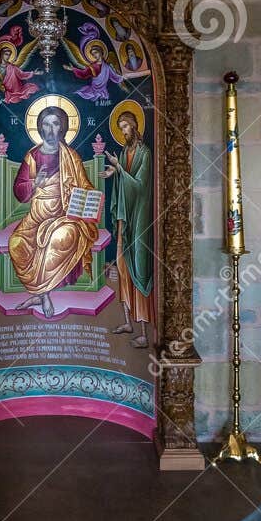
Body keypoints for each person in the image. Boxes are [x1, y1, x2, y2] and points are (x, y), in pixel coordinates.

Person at [7, 105, 98, 318]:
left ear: (62, 127)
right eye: (46, 124)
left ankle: (44, 294)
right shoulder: (32, 156)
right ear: (40, 128)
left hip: (65, 216)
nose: (50, 129)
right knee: (16, 244)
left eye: (55, 124)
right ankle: (41, 293)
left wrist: (83, 199)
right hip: (36, 217)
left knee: (58, 239)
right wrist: (34, 183)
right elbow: (19, 192)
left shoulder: (71, 156)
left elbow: (85, 187)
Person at [101, 107, 152, 347]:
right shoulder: (123, 152)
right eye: (120, 129)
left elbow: (141, 187)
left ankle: (142, 330)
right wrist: (115, 171)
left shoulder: (144, 153)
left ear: (134, 127)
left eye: (126, 128)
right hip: (124, 218)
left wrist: (119, 169)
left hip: (138, 221)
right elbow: (125, 179)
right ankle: (127, 321)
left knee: (138, 269)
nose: (123, 133)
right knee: (122, 267)